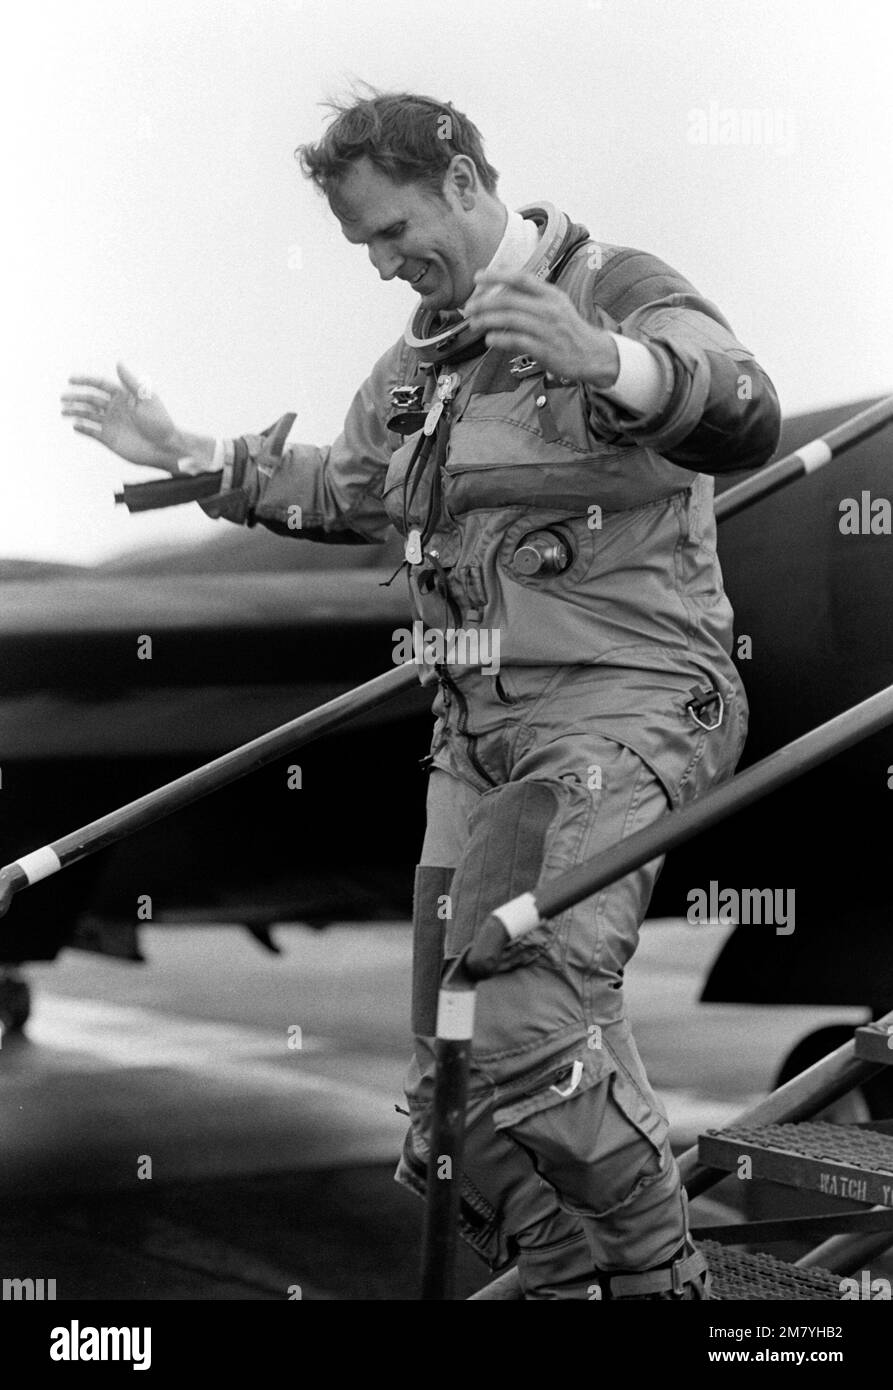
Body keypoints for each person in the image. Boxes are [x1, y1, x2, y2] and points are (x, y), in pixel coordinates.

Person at [61, 90, 781, 1300]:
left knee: (518, 1030)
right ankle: (558, 1277)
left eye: (395, 233)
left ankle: (664, 1279)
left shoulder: (609, 289)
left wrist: (610, 361)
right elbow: (344, 491)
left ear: (458, 178)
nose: (390, 267)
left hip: (615, 712)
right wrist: (188, 452)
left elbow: (740, 406)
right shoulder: (417, 363)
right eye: (366, 249)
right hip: (474, 741)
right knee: (449, 1086)